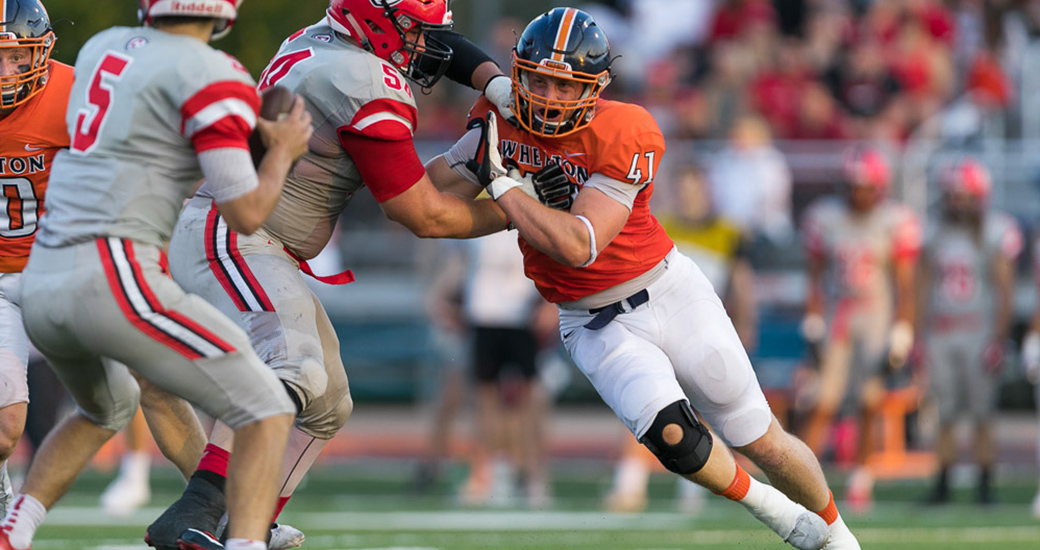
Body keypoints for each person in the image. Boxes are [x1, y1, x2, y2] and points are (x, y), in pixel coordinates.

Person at [427, 7, 860, 549]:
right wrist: (397, 146)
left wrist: (505, 185)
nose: (548, 95)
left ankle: (841, 537)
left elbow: (580, 243)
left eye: (565, 85)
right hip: (592, 322)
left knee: (760, 438)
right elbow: (428, 200)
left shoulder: (626, 127)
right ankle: (775, 512)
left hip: (668, 291)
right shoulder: (497, 122)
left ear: (595, 86)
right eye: (537, 79)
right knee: (675, 440)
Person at [148, 0, 516, 546]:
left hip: (254, 240)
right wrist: (519, 210)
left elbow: (424, 181)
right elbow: (423, 214)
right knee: (294, 368)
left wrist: (490, 116)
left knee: (326, 404)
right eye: (414, 32)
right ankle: (197, 512)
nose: (428, 48)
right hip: (233, 234)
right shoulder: (361, 79)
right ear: (375, 22)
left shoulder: (325, 40)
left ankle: (244, 523)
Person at [0, 0, 315, 548]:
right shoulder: (214, 75)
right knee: (263, 402)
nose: (6, 70)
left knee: (122, 401)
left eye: (12, 55)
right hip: (95, 267)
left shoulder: (100, 55)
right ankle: (244, 536)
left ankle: (19, 529)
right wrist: (279, 152)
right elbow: (241, 208)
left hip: (51, 268)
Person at [603, 163, 757, 514]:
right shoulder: (662, 225)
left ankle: (700, 489)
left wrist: (745, 325)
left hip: (706, 331)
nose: (689, 197)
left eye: (695, 189)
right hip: (660, 330)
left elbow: (742, 285)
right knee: (644, 404)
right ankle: (630, 485)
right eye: (683, 189)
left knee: (704, 414)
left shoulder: (728, 232)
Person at [799, 147, 922, 512]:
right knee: (822, 400)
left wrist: (902, 329)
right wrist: (813, 318)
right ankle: (800, 479)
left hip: (876, 316)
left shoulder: (893, 220)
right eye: (854, 186)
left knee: (869, 402)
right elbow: (816, 277)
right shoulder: (826, 218)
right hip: (839, 314)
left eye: (866, 187)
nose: (859, 194)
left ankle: (861, 479)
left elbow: (904, 284)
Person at [0, 0, 72, 519]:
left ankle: (220, 511)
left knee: (154, 387)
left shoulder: (77, 94)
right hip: (0, 280)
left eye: (15, 57)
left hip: (67, 271)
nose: (4, 72)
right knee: (7, 430)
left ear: (40, 53)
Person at [918, 158, 1020, 505]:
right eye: (952, 195)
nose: (956, 202)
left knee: (982, 413)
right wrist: (918, 334)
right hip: (942, 332)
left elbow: (1004, 289)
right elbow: (924, 283)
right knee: (943, 413)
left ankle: (985, 485)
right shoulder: (934, 231)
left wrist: (999, 337)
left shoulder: (994, 231)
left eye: (963, 196)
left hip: (978, 330)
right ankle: (943, 483)